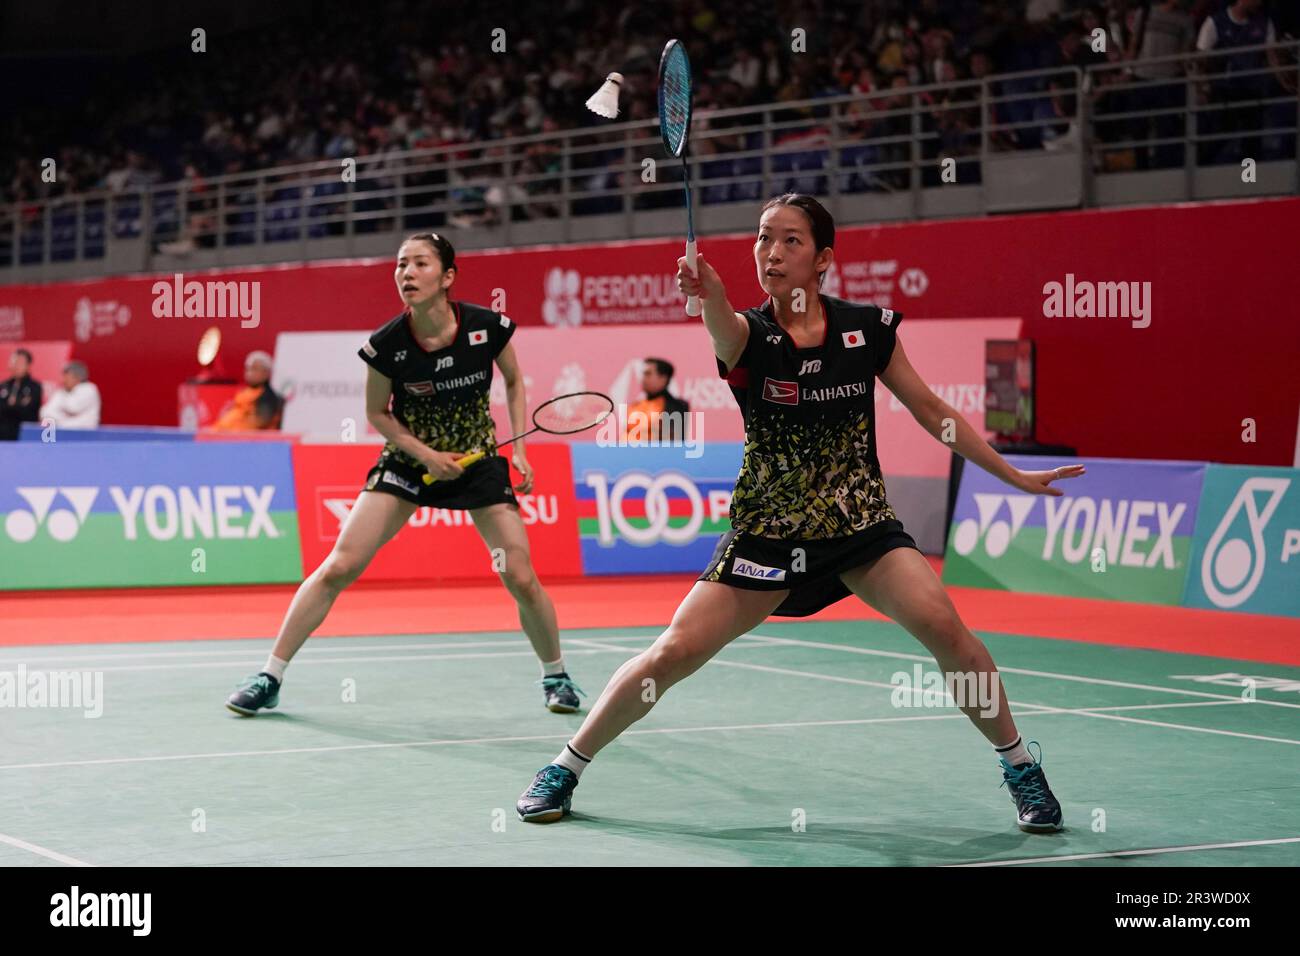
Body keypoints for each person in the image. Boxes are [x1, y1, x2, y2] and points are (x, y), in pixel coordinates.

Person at [516, 195, 1084, 832]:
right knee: (672, 653)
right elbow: (723, 327)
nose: (772, 252)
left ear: (823, 260)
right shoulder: (750, 336)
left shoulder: (866, 330)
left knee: (950, 634)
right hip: (768, 537)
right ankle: (565, 767)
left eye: (790, 240)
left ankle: (1019, 768)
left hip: (861, 531)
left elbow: (932, 411)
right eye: (763, 239)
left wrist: (1009, 473)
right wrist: (709, 296)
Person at [225, 233, 582, 716]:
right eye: (400, 265)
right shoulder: (387, 344)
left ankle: (556, 678)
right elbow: (377, 413)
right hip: (409, 463)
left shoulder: (487, 326)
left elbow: (515, 380)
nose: (406, 274)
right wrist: (427, 454)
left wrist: (517, 447)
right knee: (339, 566)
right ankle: (269, 676)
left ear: (447, 277)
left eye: (419, 264)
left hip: (478, 461)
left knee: (518, 574)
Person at [210, 351, 284, 431]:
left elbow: (258, 423)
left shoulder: (269, 398)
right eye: (248, 368)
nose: (249, 373)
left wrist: (229, 430)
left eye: (254, 369)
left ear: (266, 372)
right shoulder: (244, 394)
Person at [624, 357, 691, 444]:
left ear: (663, 378)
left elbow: (672, 440)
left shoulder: (677, 406)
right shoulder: (634, 406)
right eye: (643, 374)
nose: (643, 379)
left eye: (648, 374)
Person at [39, 360, 102, 429]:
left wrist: (57, 418)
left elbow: (73, 407)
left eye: (67, 377)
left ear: (77, 377)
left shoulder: (89, 388)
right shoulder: (61, 392)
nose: (64, 380)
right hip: (61, 433)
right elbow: (45, 413)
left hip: (85, 434)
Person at [0, 348, 42, 441]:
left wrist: (10, 406)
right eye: (14, 362)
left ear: (28, 365)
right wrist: (17, 404)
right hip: (3, 433)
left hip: (24, 434)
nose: (16, 366)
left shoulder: (35, 387)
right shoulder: (3, 385)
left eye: (20, 363)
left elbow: (28, 412)